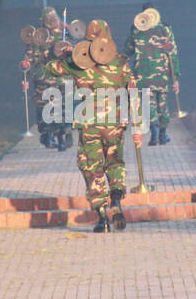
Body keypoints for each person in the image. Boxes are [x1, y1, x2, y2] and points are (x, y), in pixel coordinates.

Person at [45, 20, 141, 232]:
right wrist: (139, 127)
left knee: (91, 167)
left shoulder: (80, 62)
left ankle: (102, 217)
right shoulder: (120, 63)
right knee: (115, 162)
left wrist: (63, 54)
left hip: (89, 125)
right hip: (115, 123)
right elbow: (133, 93)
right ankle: (116, 199)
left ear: (88, 37)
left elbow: (51, 70)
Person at [124, 2, 179, 145]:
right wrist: (175, 78)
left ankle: (154, 134)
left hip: (143, 73)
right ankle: (163, 134)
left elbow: (128, 50)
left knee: (149, 103)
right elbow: (172, 55)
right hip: (162, 74)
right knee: (162, 103)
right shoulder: (165, 30)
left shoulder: (136, 30)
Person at [20, 7, 70, 150]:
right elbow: (29, 58)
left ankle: (61, 137)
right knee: (45, 108)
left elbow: (73, 51)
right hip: (44, 77)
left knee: (59, 107)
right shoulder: (38, 36)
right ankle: (49, 136)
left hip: (59, 77)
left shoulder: (64, 33)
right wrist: (25, 75)